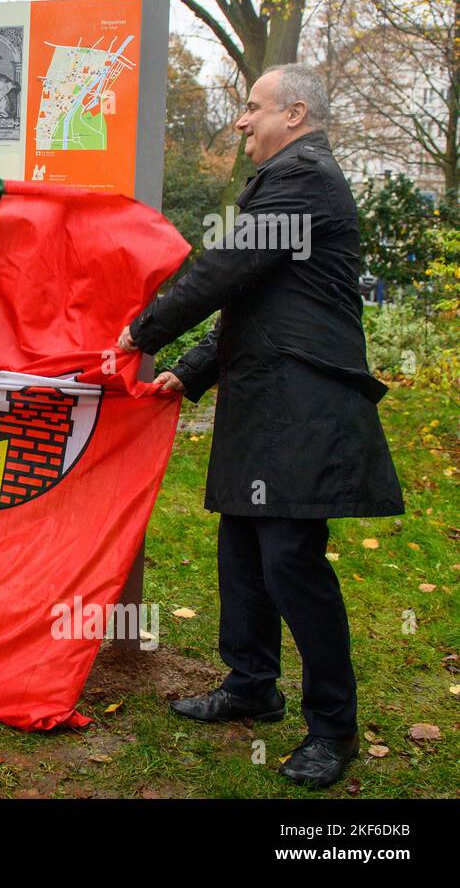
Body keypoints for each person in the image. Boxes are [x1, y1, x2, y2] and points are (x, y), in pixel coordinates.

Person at [117, 63, 404, 788]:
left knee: (289, 560)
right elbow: (255, 295)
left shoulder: (305, 178)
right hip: (265, 397)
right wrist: (192, 368)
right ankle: (252, 686)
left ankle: (332, 728)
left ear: (295, 114)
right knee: (242, 548)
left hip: (304, 403)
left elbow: (224, 268)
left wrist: (141, 333)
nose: (241, 121)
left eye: (252, 107)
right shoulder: (287, 180)